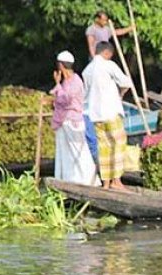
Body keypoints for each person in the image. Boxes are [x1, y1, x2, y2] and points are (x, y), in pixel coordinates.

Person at [82, 42, 132, 190]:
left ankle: (106, 182)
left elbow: (85, 97)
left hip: (96, 115)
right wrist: (120, 94)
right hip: (110, 111)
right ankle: (116, 180)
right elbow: (125, 82)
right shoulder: (108, 65)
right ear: (107, 53)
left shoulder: (87, 70)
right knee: (119, 142)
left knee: (103, 146)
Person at [49, 51, 98, 186]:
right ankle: (68, 179)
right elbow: (59, 96)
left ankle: (87, 181)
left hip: (73, 121)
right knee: (65, 152)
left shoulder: (75, 81)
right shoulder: (67, 81)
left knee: (79, 152)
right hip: (65, 122)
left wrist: (57, 84)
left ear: (60, 65)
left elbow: (65, 99)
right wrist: (58, 84)